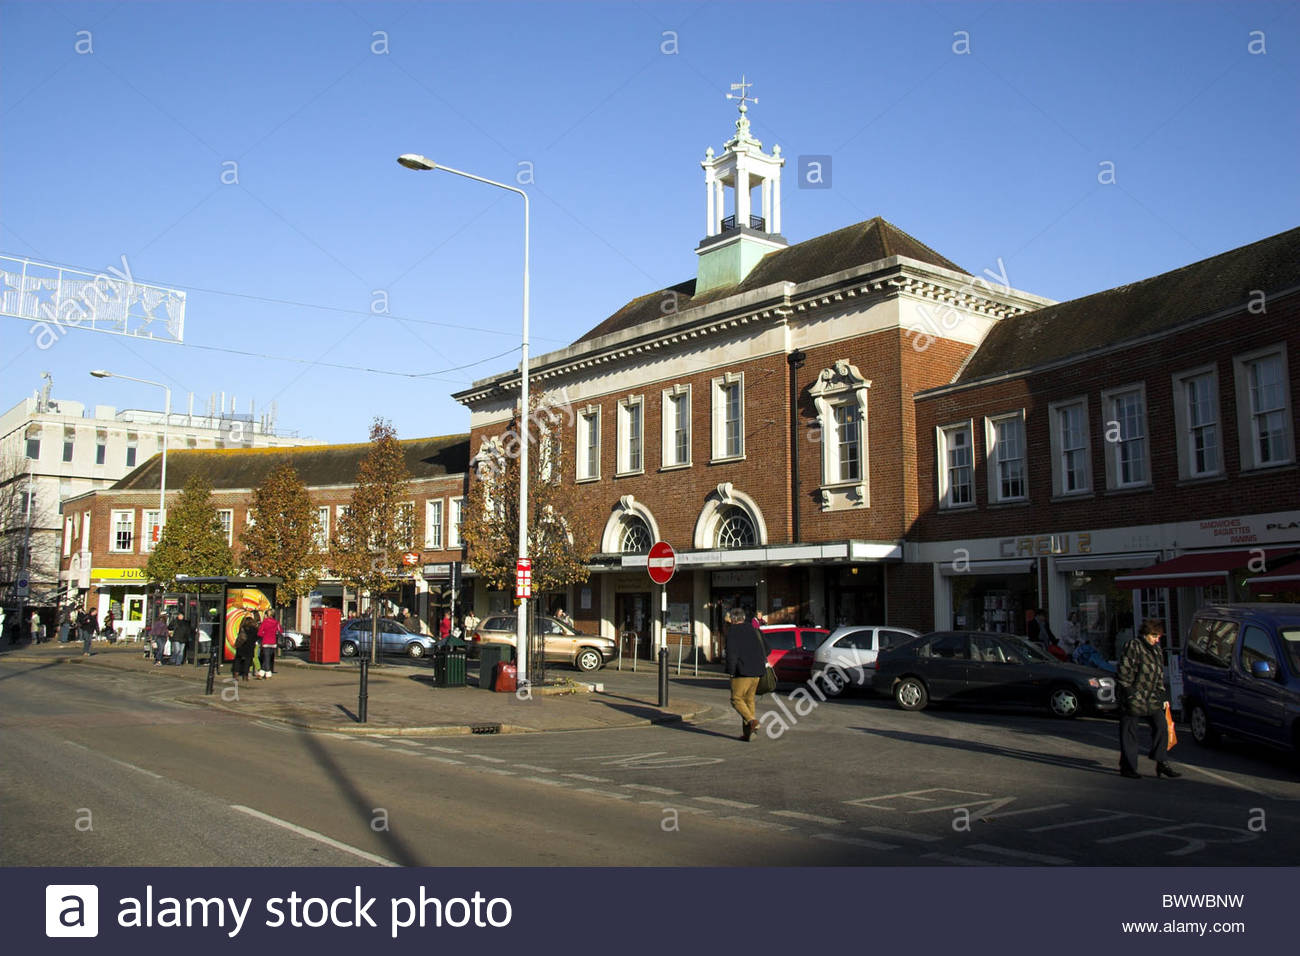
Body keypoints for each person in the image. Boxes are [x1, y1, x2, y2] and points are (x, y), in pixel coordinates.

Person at [1115, 618, 1181, 779]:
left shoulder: (1157, 650)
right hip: (1133, 696)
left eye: (1159, 636)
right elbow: (1124, 670)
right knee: (1129, 732)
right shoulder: (1133, 646)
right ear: (1145, 634)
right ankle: (1128, 767)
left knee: (1162, 727)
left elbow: (1158, 675)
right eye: (1154, 635)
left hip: (1151, 697)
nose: (1157, 639)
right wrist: (1129, 693)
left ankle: (1162, 762)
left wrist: (1163, 696)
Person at [724, 606, 768, 742]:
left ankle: (752, 721)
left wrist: (731, 672)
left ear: (732, 619)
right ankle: (748, 733)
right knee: (749, 701)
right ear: (743, 618)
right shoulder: (753, 629)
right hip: (757, 671)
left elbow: (731, 654)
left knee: (736, 699)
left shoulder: (732, 632)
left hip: (742, 671)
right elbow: (767, 648)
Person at [234, 612, 260, 682]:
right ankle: (245, 676)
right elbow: (258, 637)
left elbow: (240, 636)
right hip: (250, 646)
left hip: (241, 645)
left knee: (238, 659)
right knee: (248, 661)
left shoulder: (242, 628)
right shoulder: (255, 629)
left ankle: (236, 674)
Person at [256, 613, 281, 678]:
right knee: (268, 657)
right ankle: (261, 673)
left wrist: (264, 634)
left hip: (266, 642)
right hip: (273, 642)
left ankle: (268, 673)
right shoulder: (276, 622)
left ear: (267, 615)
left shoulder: (265, 622)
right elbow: (280, 631)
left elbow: (259, 633)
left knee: (266, 657)